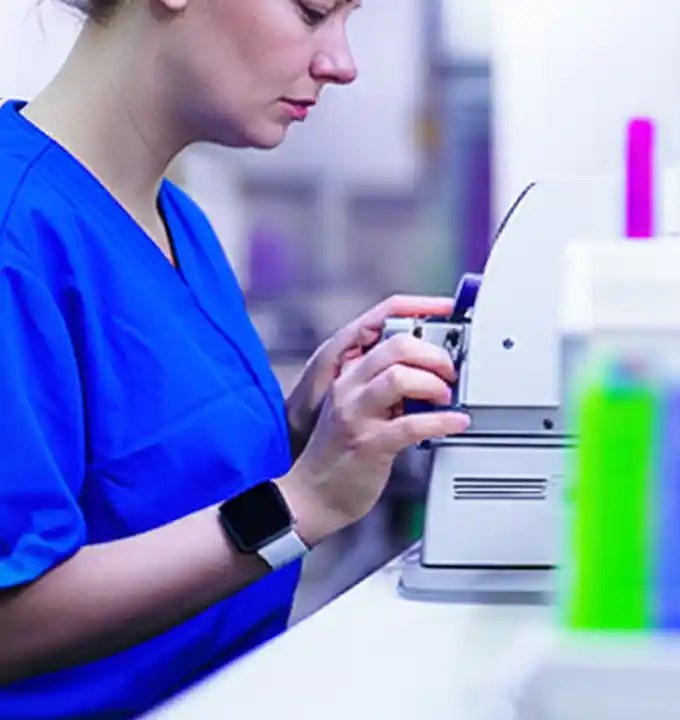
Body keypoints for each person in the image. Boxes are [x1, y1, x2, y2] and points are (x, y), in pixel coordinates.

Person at [0, 1, 471, 717]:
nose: (341, 64)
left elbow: (140, 499)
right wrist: (301, 502)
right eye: (313, 12)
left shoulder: (177, 220)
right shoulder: (17, 235)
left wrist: (303, 432)